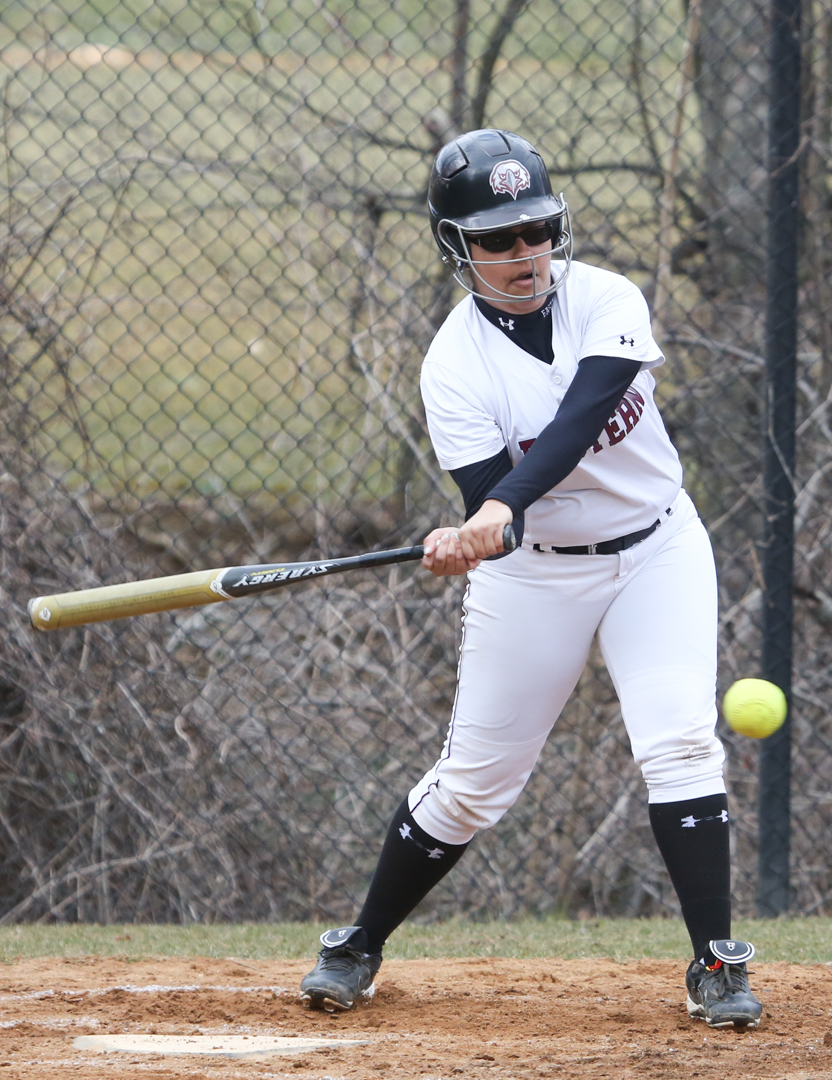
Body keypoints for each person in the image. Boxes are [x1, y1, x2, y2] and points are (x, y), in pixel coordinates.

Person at [297, 129, 763, 1030]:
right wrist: (470, 536)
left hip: (658, 550)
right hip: (539, 576)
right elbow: (494, 520)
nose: (524, 254)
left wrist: (500, 503)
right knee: (474, 783)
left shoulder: (608, 298)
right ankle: (356, 944)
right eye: (497, 240)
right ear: (457, 248)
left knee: (678, 747)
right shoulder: (452, 365)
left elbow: (587, 410)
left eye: (536, 230)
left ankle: (715, 960)